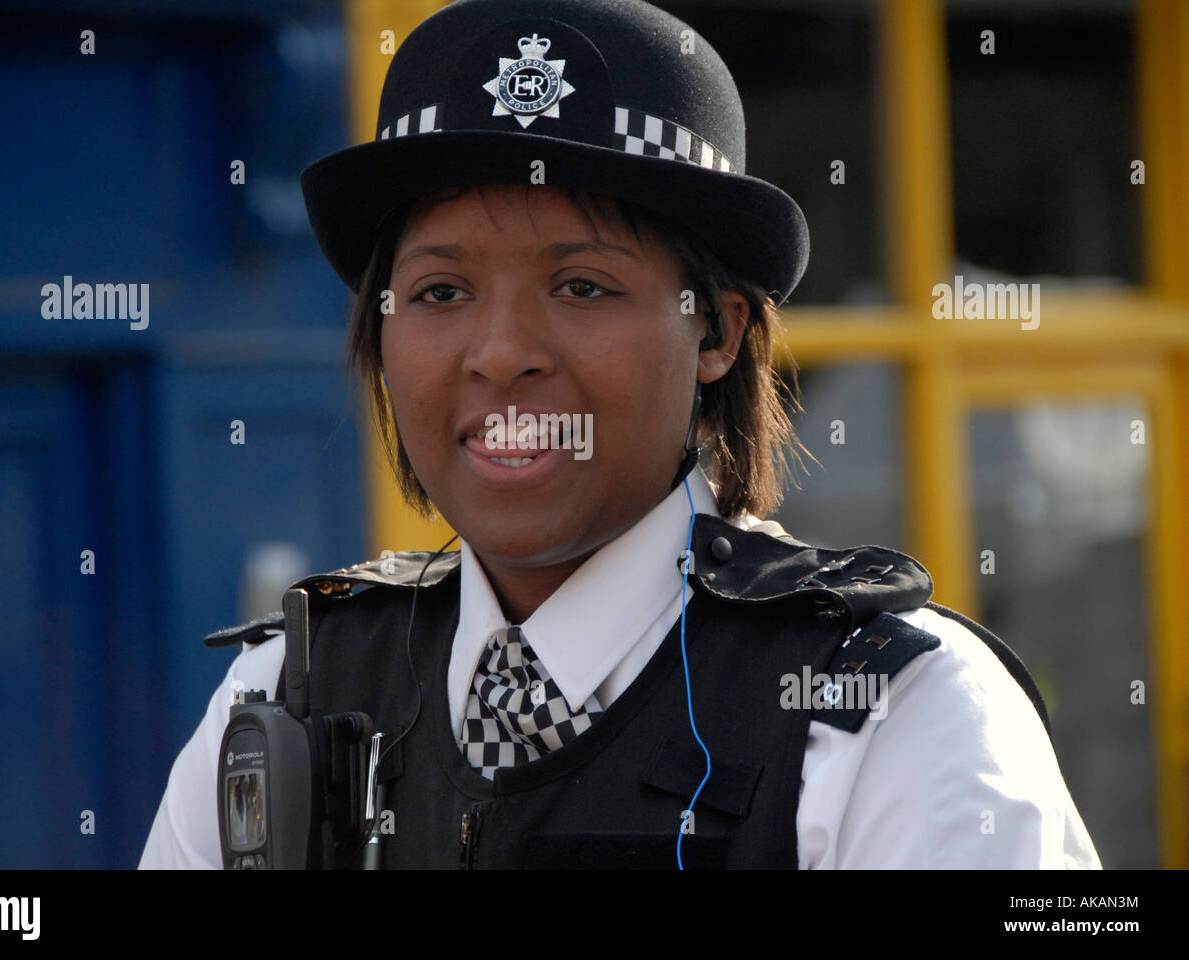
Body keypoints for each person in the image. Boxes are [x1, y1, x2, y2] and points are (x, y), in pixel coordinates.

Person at [140, 0, 1100, 869]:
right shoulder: (286, 695)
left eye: (582, 286)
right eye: (440, 292)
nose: (501, 353)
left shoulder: (894, 717)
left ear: (717, 331)